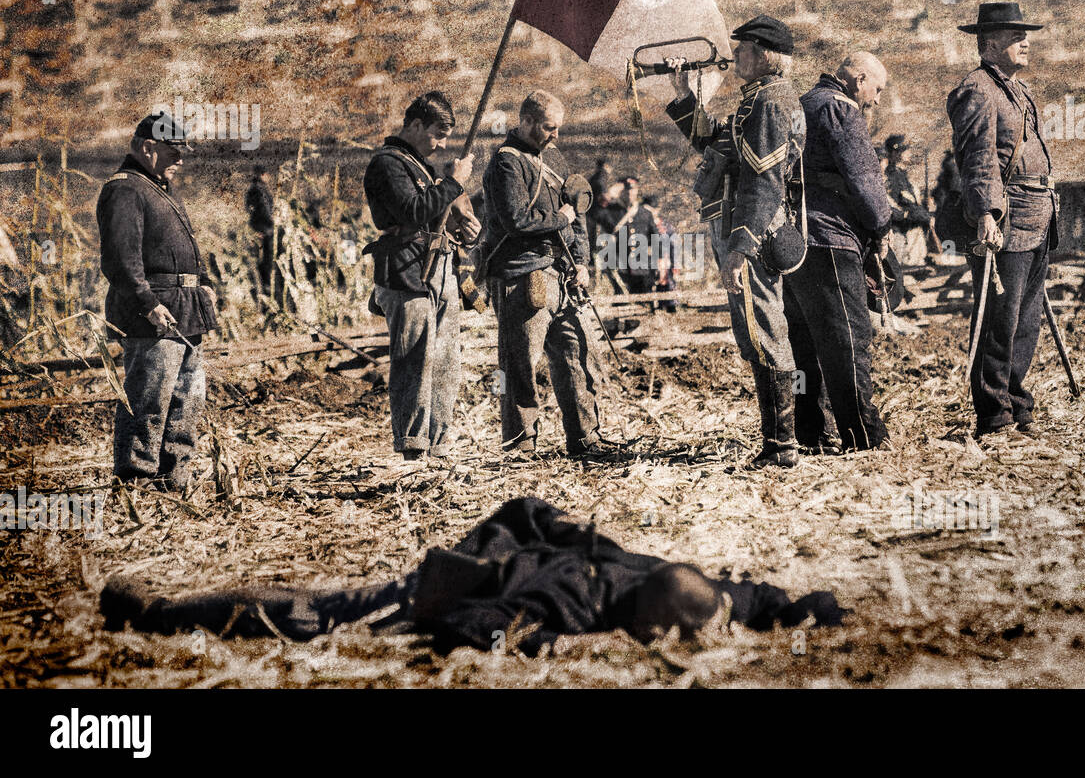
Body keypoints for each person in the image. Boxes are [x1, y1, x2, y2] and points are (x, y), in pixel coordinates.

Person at [99, 497, 845, 655]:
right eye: (696, 633)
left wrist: (802, 606)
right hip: (449, 583)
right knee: (313, 613)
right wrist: (535, 646)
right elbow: (466, 626)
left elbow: (746, 598)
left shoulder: (670, 580)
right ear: (654, 629)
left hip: (506, 553)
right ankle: (156, 611)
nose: (713, 634)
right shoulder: (568, 604)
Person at [665, 15, 807, 467]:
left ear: (764, 54)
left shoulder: (768, 103)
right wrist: (684, 94)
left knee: (763, 331)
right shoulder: (760, 100)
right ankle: (779, 440)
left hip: (753, 235)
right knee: (756, 331)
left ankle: (782, 445)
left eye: (741, 48)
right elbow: (715, 146)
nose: (734, 56)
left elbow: (763, 183)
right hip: (746, 231)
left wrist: (740, 249)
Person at [480, 90, 614, 459]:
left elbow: (578, 208)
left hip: (563, 274)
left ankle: (586, 439)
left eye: (558, 128)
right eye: (548, 128)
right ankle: (520, 447)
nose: (555, 135)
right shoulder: (506, 164)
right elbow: (517, 219)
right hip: (524, 277)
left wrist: (583, 263)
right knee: (520, 364)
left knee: (575, 355)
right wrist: (562, 219)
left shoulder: (552, 157)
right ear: (526, 122)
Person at [946, 3, 1058, 438]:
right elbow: (978, 159)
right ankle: (993, 415)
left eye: (1025, 34)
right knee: (1000, 319)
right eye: (1015, 36)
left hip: (1037, 217)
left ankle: (1015, 403)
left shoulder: (1019, 89)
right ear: (989, 44)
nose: (1025, 41)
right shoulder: (977, 89)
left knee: (1026, 321)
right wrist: (986, 213)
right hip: (1005, 221)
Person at [96, 112, 218, 490]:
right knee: (149, 398)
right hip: (154, 314)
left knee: (186, 400)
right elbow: (120, 259)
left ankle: (174, 478)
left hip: (184, 311)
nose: (181, 159)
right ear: (148, 148)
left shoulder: (157, 187)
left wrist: (205, 284)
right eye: (174, 151)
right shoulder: (126, 189)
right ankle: (137, 480)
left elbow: (182, 250)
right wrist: (147, 303)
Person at [784, 52, 893, 453]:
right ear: (858, 80)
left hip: (793, 244)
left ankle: (811, 434)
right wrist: (882, 227)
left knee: (806, 344)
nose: (876, 100)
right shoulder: (840, 109)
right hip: (832, 240)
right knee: (848, 339)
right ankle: (862, 434)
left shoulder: (802, 103)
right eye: (876, 90)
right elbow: (866, 181)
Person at [362, 91, 478, 464]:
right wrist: (454, 183)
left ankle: (440, 443)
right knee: (414, 358)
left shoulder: (421, 167)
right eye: (437, 134)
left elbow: (433, 216)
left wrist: (462, 225)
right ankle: (413, 445)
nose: (442, 144)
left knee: (446, 360)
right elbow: (412, 211)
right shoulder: (387, 164)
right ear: (414, 125)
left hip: (438, 269)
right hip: (406, 272)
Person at [882, 134, 933, 266]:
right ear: (895, 153)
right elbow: (898, 208)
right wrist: (924, 216)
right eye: (905, 150)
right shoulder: (892, 178)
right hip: (901, 233)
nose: (909, 153)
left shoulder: (902, 174)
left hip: (911, 233)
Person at [244, 166, 276, 301]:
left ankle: (264, 285)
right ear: (263, 174)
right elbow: (262, 211)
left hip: (260, 228)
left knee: (263, 258)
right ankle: (265, 286)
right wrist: (265, 226)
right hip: (263, 229)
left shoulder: (254, 189)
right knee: (264, 259)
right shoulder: (258, 190)